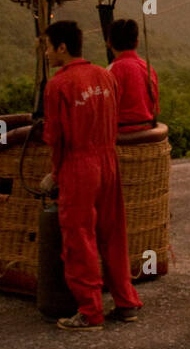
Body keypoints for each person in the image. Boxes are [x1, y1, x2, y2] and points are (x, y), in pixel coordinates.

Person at [43, 20, 143, 330]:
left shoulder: (58, 84)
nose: (46, 53)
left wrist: (55, 174)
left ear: (62, 47)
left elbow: (56, 137)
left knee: (79, 238)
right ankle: (126, 302)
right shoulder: (105, 75)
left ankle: (90, 311)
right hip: (108, 160)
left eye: (48, 47)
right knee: (113, 234)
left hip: (79, 165)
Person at [107, 18, 159, 132]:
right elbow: (155, 108)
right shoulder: (148, 68)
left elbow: (106, 111)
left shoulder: (111, 71)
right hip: (148, 129)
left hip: (123, 133)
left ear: (109, 42)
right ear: (136, 42)